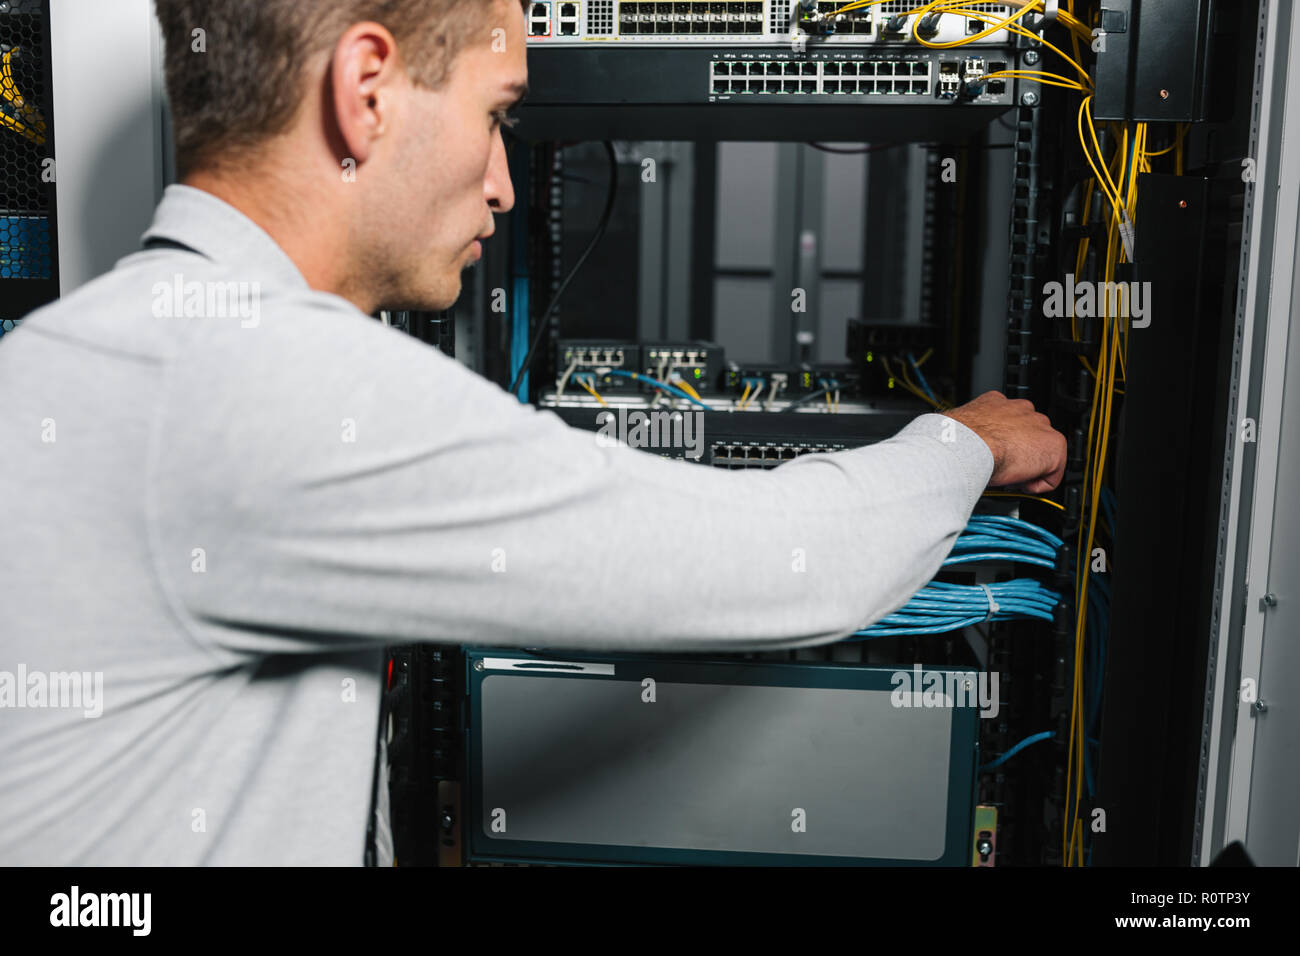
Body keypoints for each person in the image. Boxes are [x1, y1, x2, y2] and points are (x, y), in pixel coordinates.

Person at [0, 0, 1066, 865]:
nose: (506, 182)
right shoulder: (265, 384)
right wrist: (964, 439)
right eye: (495, 110)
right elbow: (781, 558)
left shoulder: (83, 352)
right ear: (366, 89)